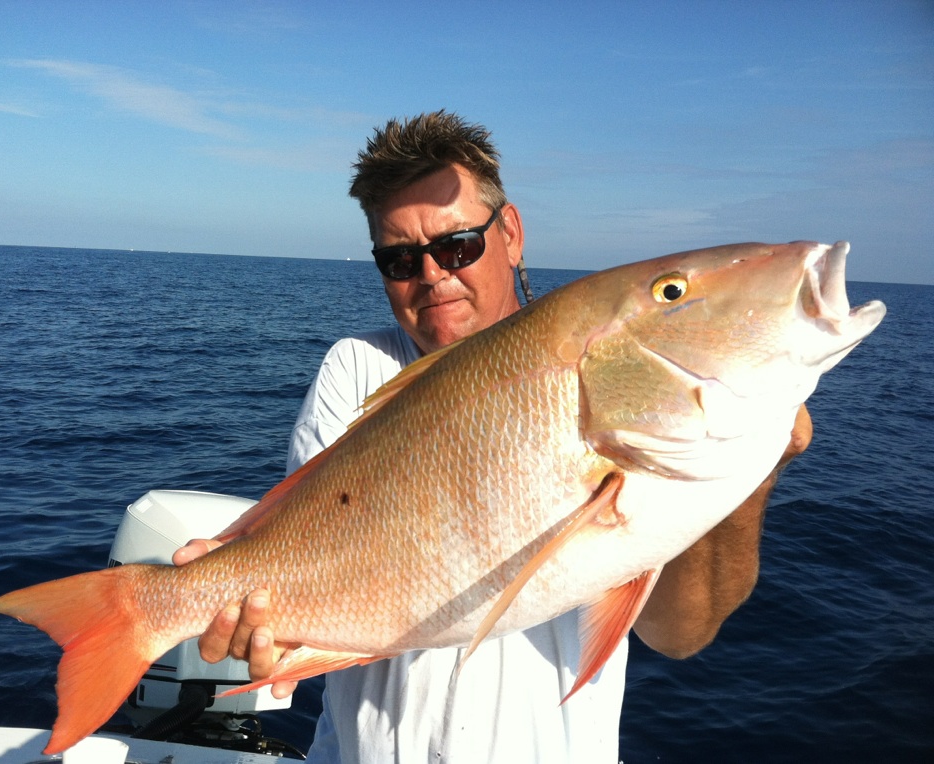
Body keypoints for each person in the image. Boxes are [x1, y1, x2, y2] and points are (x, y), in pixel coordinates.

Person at [174, 111, 813, 762]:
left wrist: (751, 460)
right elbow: (313, 560)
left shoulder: (617, 403)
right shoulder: (359, 369)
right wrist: (250, 616)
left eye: (456, 246)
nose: (431, 274)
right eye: (398, 259)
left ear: (509, 233)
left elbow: (680, 634)